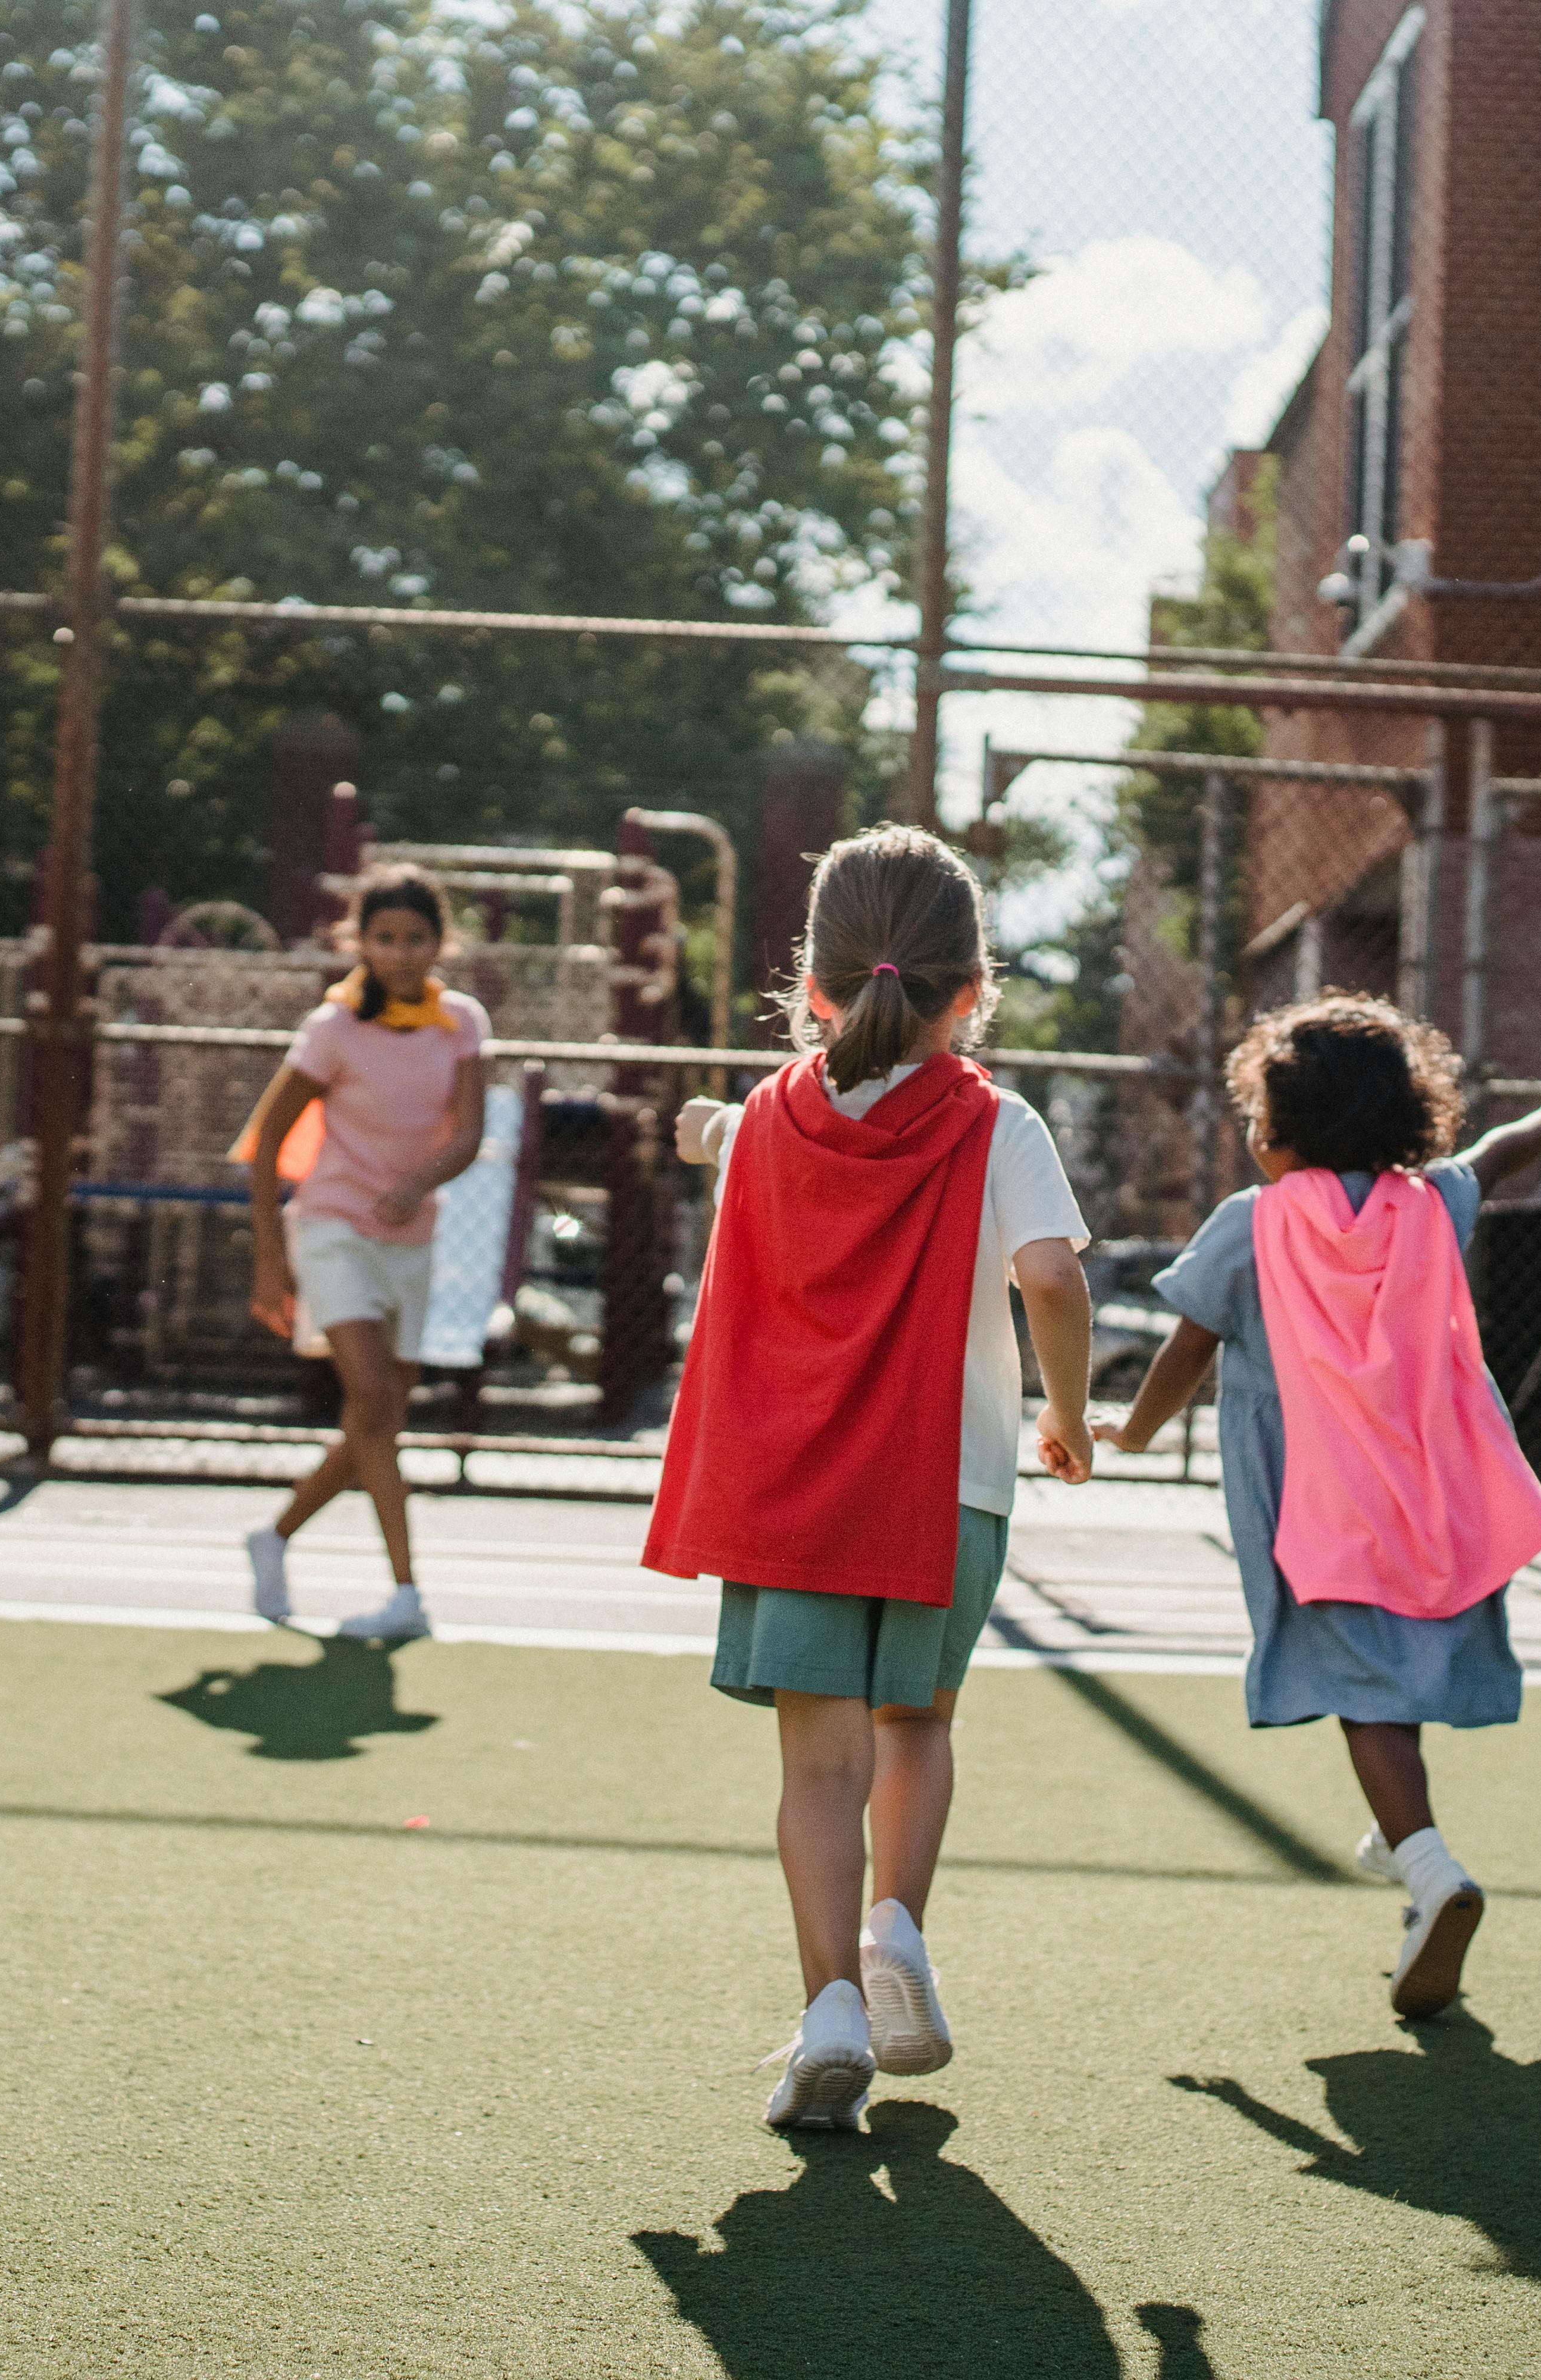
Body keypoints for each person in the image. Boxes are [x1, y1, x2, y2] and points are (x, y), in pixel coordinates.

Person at [648, 825, 1095, 2132]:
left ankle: (830, 2004)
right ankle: (900, 1926)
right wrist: (1069, 1415)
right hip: (946, 1489)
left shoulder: (773, 1116)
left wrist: (711, 1129)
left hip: (797, 1493)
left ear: (817, 986)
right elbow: (1054, 1277)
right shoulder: (998, 1123)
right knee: (920, 1726)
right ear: (974, 989)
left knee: (817, 1768)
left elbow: (734, 1129)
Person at [1097, 996, 1541, 2019]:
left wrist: (1131, 1434)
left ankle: (1428, 1869)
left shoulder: (1252, 1224)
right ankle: (1403, 1850)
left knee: (1361, 1693)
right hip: (1428, 1488)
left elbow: (1186, 1348)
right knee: (1394, 1675)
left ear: (1280, 1130)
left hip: (1317, 1503)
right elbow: (1496, 1158)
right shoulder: (1429, 1204)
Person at [237, 864, 488, 1645]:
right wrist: (271, 1262)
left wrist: (421, 1181)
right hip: (333, 1226)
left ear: (439, 942)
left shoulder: (464, 1024)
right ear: (360, 942)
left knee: (375, 1418)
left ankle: (275, 1535)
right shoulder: (331, 1029)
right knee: (374, 1395)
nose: (401, 953)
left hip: (411, 1237)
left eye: (416, 938)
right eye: (385, 938)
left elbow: (471, 1134)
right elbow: (267, 1140)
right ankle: (407, 1593)